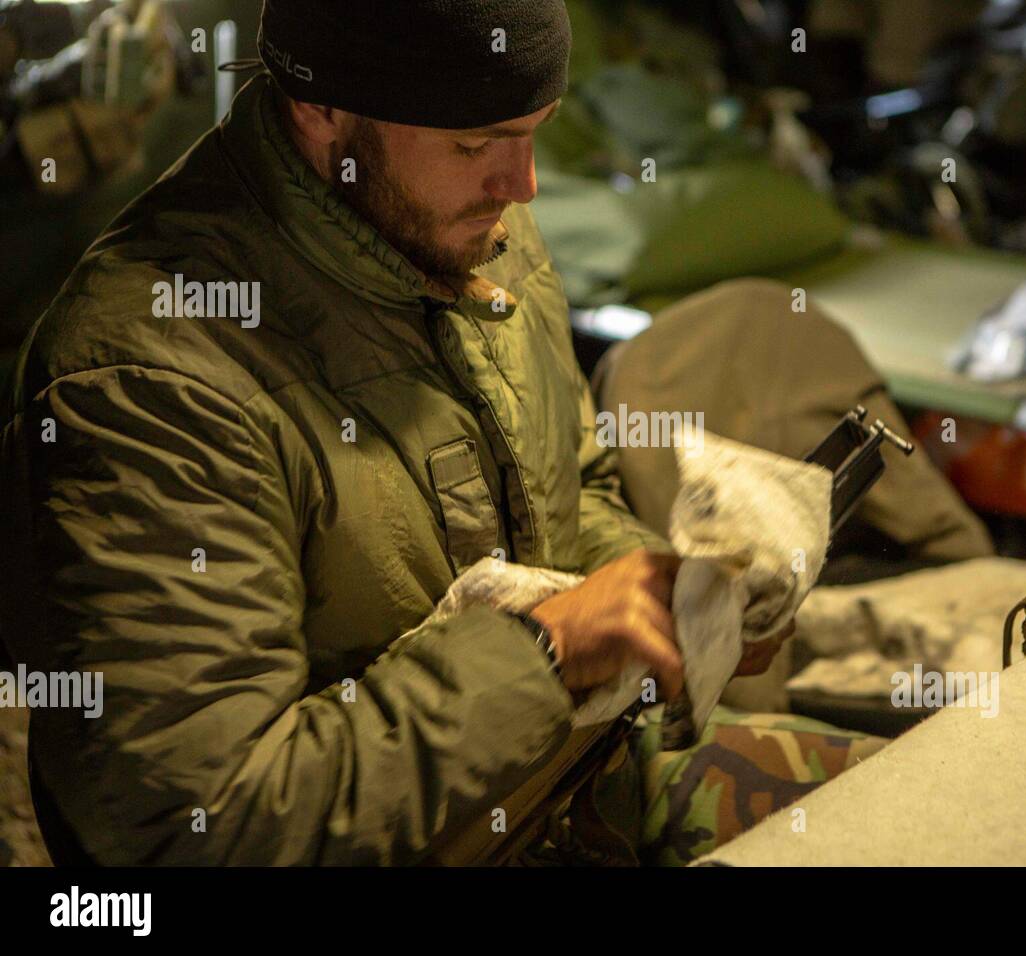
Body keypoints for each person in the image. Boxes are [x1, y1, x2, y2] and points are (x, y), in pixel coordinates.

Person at [0, 0, 879, 866]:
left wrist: (671, 602)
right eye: (476, 143)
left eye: (534, 131)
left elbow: (574, 485)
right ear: (323, 108)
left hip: (555, 784)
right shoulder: (150, 381)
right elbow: (207, 827)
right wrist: (547, 650)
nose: (521, 185)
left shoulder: (469, 223)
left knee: (935, 810)